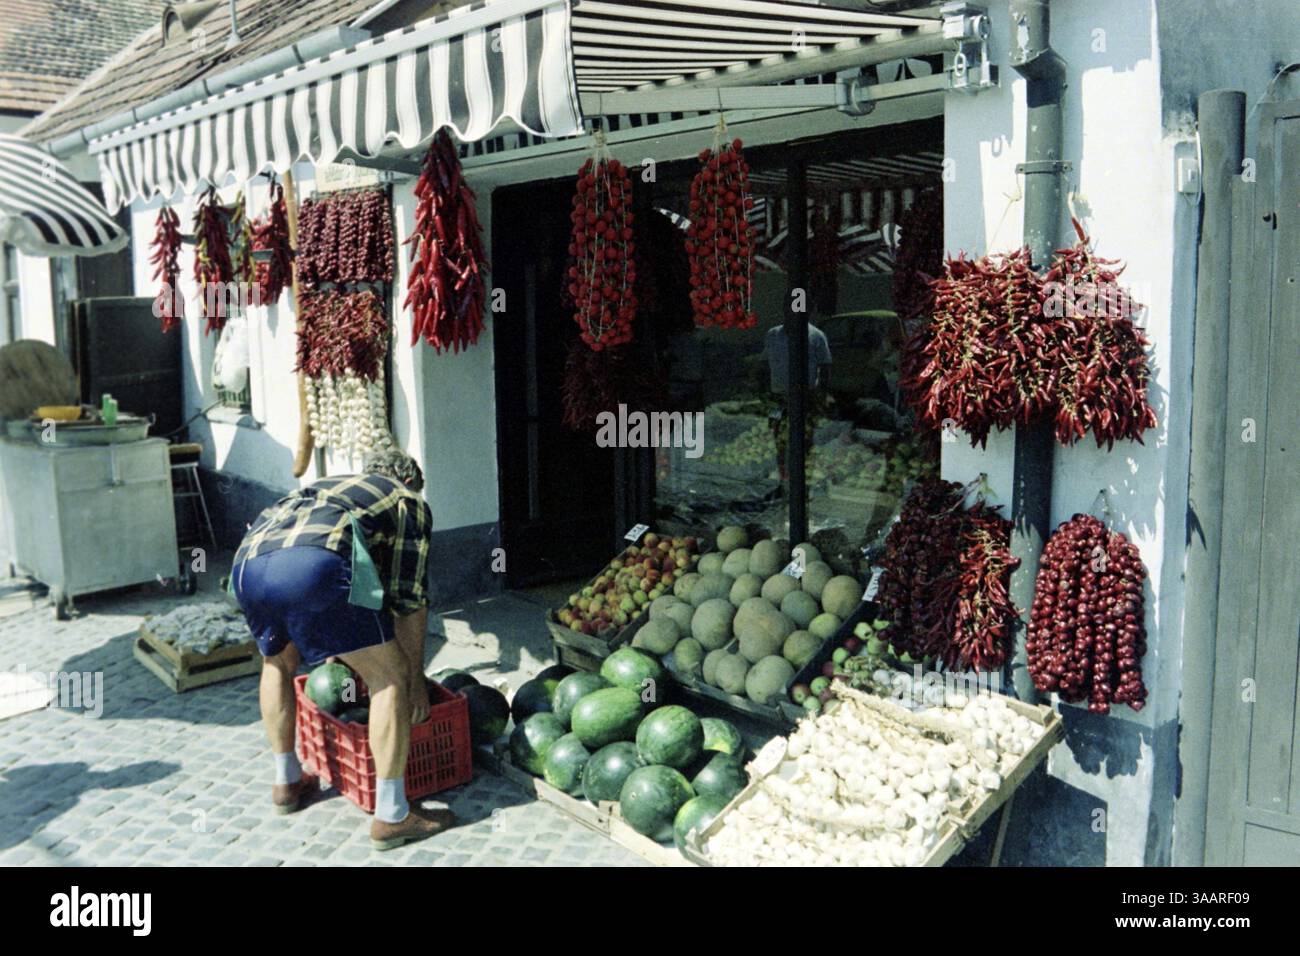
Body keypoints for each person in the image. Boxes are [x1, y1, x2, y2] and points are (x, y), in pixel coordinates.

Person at [230, 449, 456, 850]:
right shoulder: (407, 501)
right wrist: (413, 677)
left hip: (248, 564)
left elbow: (350, 585)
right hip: (312, 564)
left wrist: (341, 641)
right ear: (410, 482)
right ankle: (392, 816)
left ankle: (286, 781)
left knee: (278, 663)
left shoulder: (328, 489)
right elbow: (409, 599)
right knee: (389, 678)